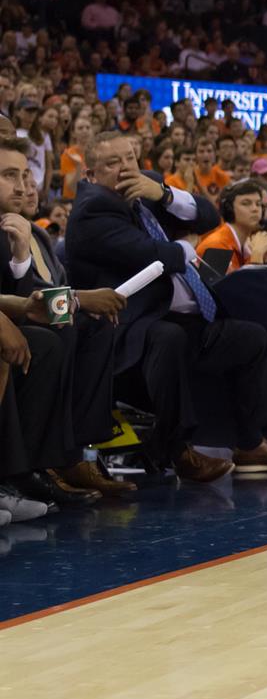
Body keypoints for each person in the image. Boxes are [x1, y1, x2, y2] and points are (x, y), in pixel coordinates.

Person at [67, 132, 267, 483]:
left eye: (130, 158)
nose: (125, 168)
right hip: (125, 330)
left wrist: (163, 193)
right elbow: (155, 255)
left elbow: (207, 218)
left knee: (250, 338)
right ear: (91, 175)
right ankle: (177, 451)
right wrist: (184, 248)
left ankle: (251, 444)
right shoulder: (91, 211)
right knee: (169, 338)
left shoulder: (147, 190)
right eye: (112, 163)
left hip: (178, 317)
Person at [0, 138, 130, 500]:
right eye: (12, 176)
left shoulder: (35, 233)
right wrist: (80, 299)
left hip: (32, 314)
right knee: (56, 333)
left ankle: (70, 454)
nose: (25, 186)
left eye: (27, 176)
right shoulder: (20, 230)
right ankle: (37, 465)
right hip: (30, 320)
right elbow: (35, 297)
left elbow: (37, 294)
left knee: (90, 327)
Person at [196, 180, 267, 271]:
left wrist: (265, 260)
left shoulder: (246, 245)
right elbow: (239, 285)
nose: (255, 209)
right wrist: (257, 255)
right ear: (229, 209)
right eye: (246, 203)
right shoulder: (216, 245)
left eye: (258, 204)